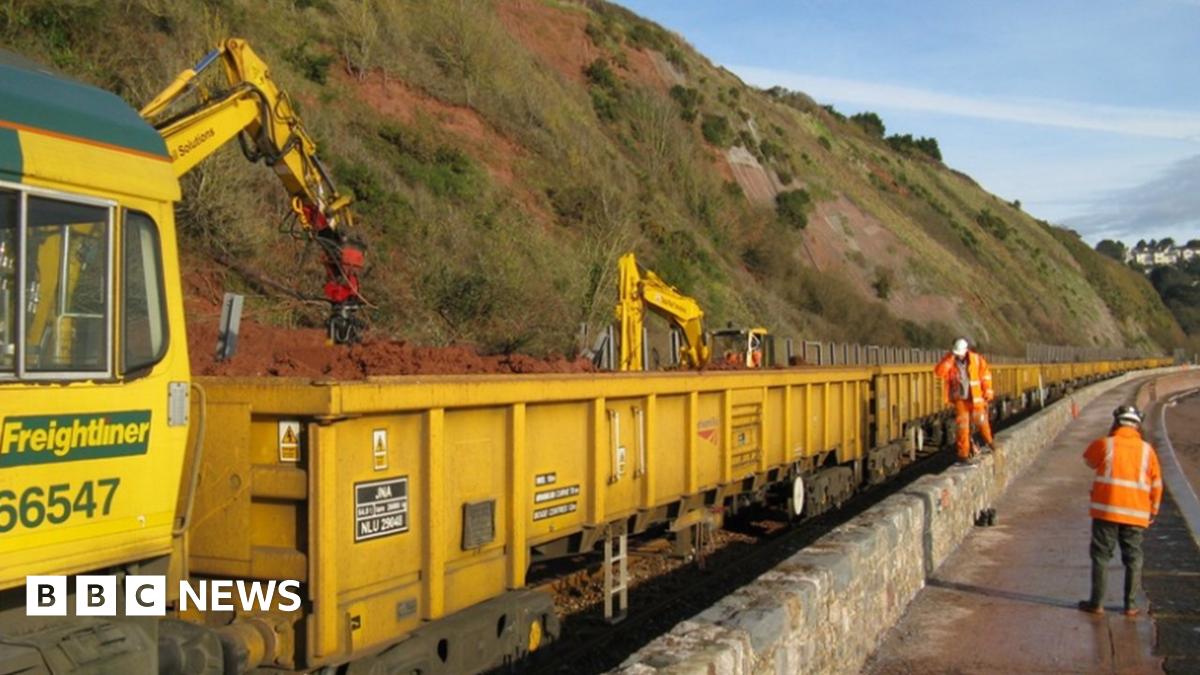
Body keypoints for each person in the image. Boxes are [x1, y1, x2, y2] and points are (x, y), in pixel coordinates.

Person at [1078, 405, 1163, 617]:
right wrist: (1152, 510)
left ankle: (1096, 603)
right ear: (1137, 426)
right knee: (1134, 557)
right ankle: (1130, 605)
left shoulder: (1106, 444)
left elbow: (1089, 461)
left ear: (1116, 422)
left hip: (1106, 511)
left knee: (1101, 556)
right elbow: (1157, 484)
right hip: (1136, 513)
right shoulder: (1147, 451)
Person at [933, 338, 994, 464]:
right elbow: (939, 372)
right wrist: (950, 359)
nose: (959, 356)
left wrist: (988, 391)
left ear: (966, 351)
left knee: (982, 423)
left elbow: (986, 376)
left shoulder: (977, 360)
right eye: (957, 353)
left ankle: (990, 442)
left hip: (976, 398)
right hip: (961, 399)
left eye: (960, 353)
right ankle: (963, 455)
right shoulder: (950, 360)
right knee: (962, 428)